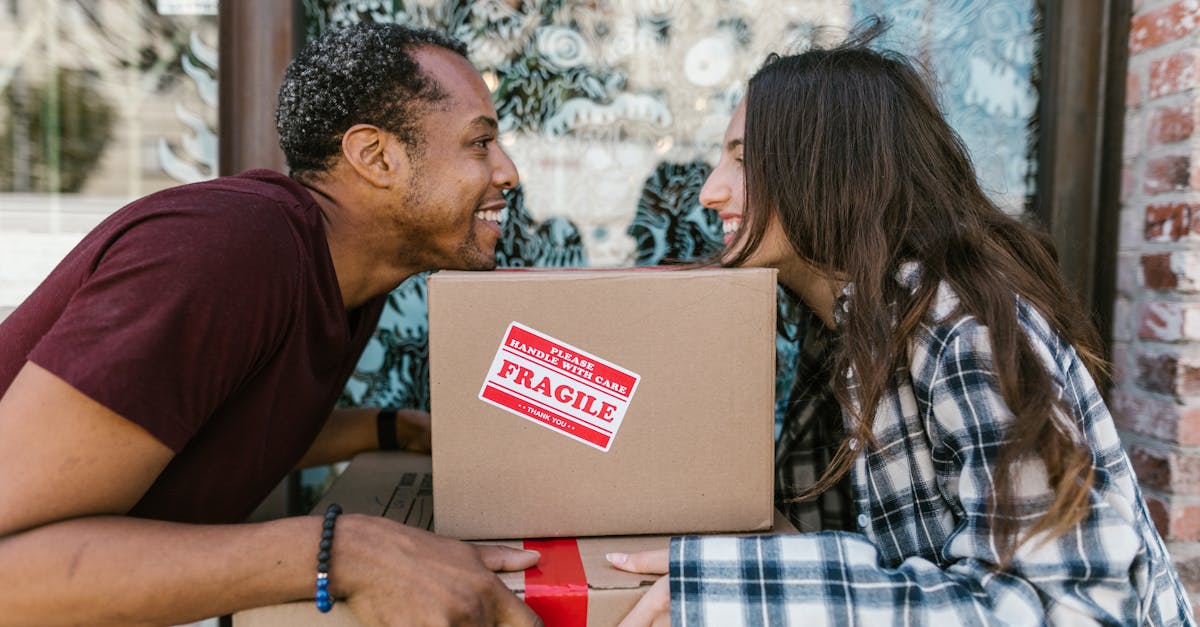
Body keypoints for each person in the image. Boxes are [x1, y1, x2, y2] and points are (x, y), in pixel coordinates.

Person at [610, 19, 1195, 626]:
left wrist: (737, 593)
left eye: (745, 159)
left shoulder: (961, 325)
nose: (710, 191)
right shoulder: (844, 325)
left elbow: (1069, 605)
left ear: (826, 172)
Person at [0, 24, 544, 627]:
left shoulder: (346, 278)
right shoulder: (227, 251)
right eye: (480, 143)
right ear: (375, 156)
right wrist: (347, 553)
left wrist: (389, 429)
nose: (508, 172)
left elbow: (187, 423)